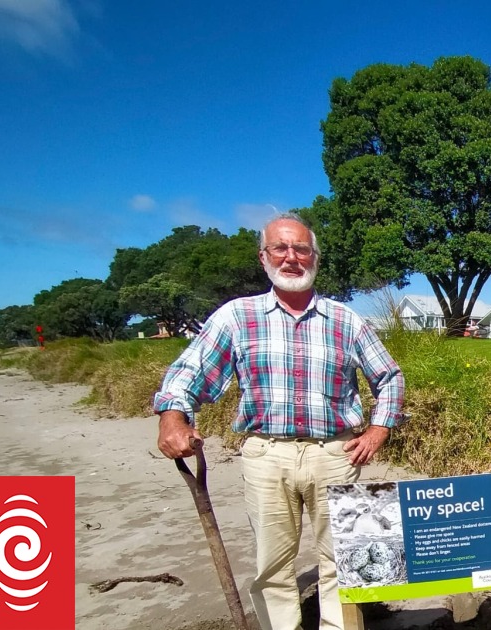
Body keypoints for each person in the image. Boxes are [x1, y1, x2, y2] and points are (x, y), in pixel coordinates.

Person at [153, 213, 405, 630]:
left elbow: (389, 377)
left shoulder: (346, 320)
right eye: (280, 248)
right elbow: (189, 372)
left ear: (315, 258)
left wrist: (379, 429)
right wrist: (172, 416)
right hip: (266, 454)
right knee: (272, 564)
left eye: (301, 249)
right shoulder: (236, 316)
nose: (291, 258)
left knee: (344, 557)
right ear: (264, 257)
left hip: (335, 453)